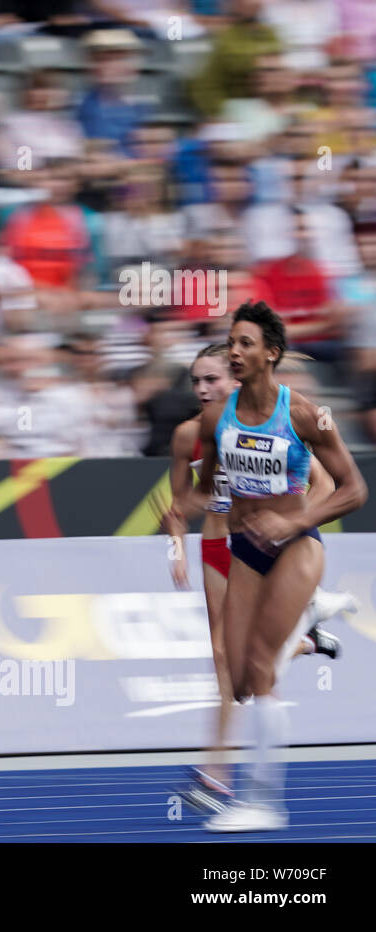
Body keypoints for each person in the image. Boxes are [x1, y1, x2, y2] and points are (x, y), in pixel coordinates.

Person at [170, 302, 368, 832]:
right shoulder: (218, 416)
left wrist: (294, 519)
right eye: (231, 342)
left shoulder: (304, 413)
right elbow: (209, 486)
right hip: (246, 549)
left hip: (298, 544)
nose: (234, 352)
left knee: (260, 667)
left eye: (246, 344)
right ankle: (305, 626)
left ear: (271, 354)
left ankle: (262, 803)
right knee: (236, 682)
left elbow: (354, 490)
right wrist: (178, 512)